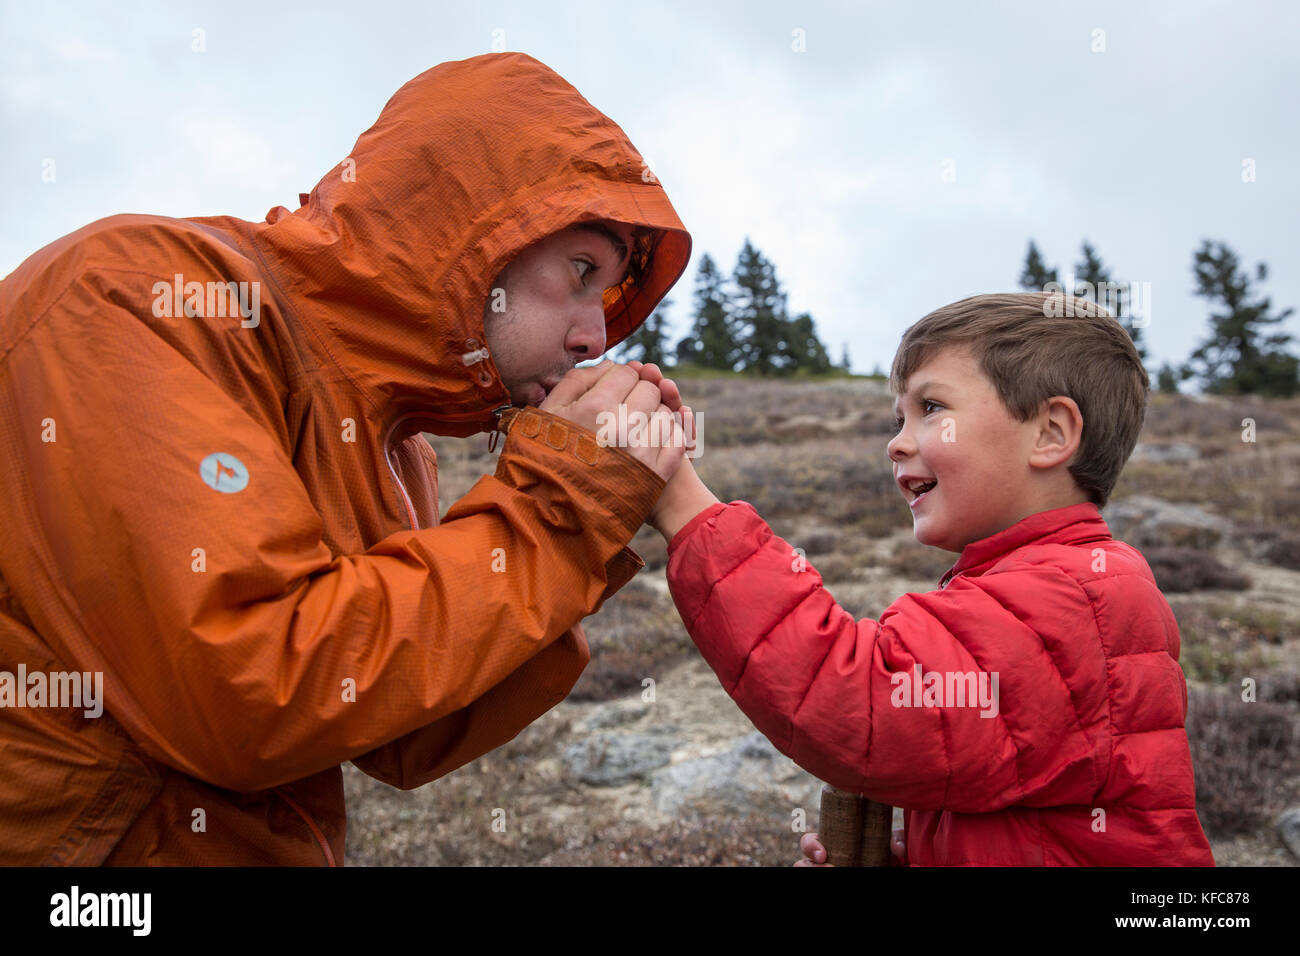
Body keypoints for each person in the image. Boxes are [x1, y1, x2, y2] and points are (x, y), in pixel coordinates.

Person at [0, 52, 692, 865]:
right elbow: (249, 696)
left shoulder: (396, 443)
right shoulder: (141, 299)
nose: (594, 337)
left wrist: (587, 517)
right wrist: (556, 518)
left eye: (609, 300)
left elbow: (402, 734)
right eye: (581, 273)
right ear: (474, 224)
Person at [648, 292, 1216, 866]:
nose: (896, 442)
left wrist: (682, 502)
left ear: (1050, 433)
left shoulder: (1073, 597)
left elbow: (863, 703)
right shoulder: (1046, 583)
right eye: (900, 418)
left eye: (932, 408)